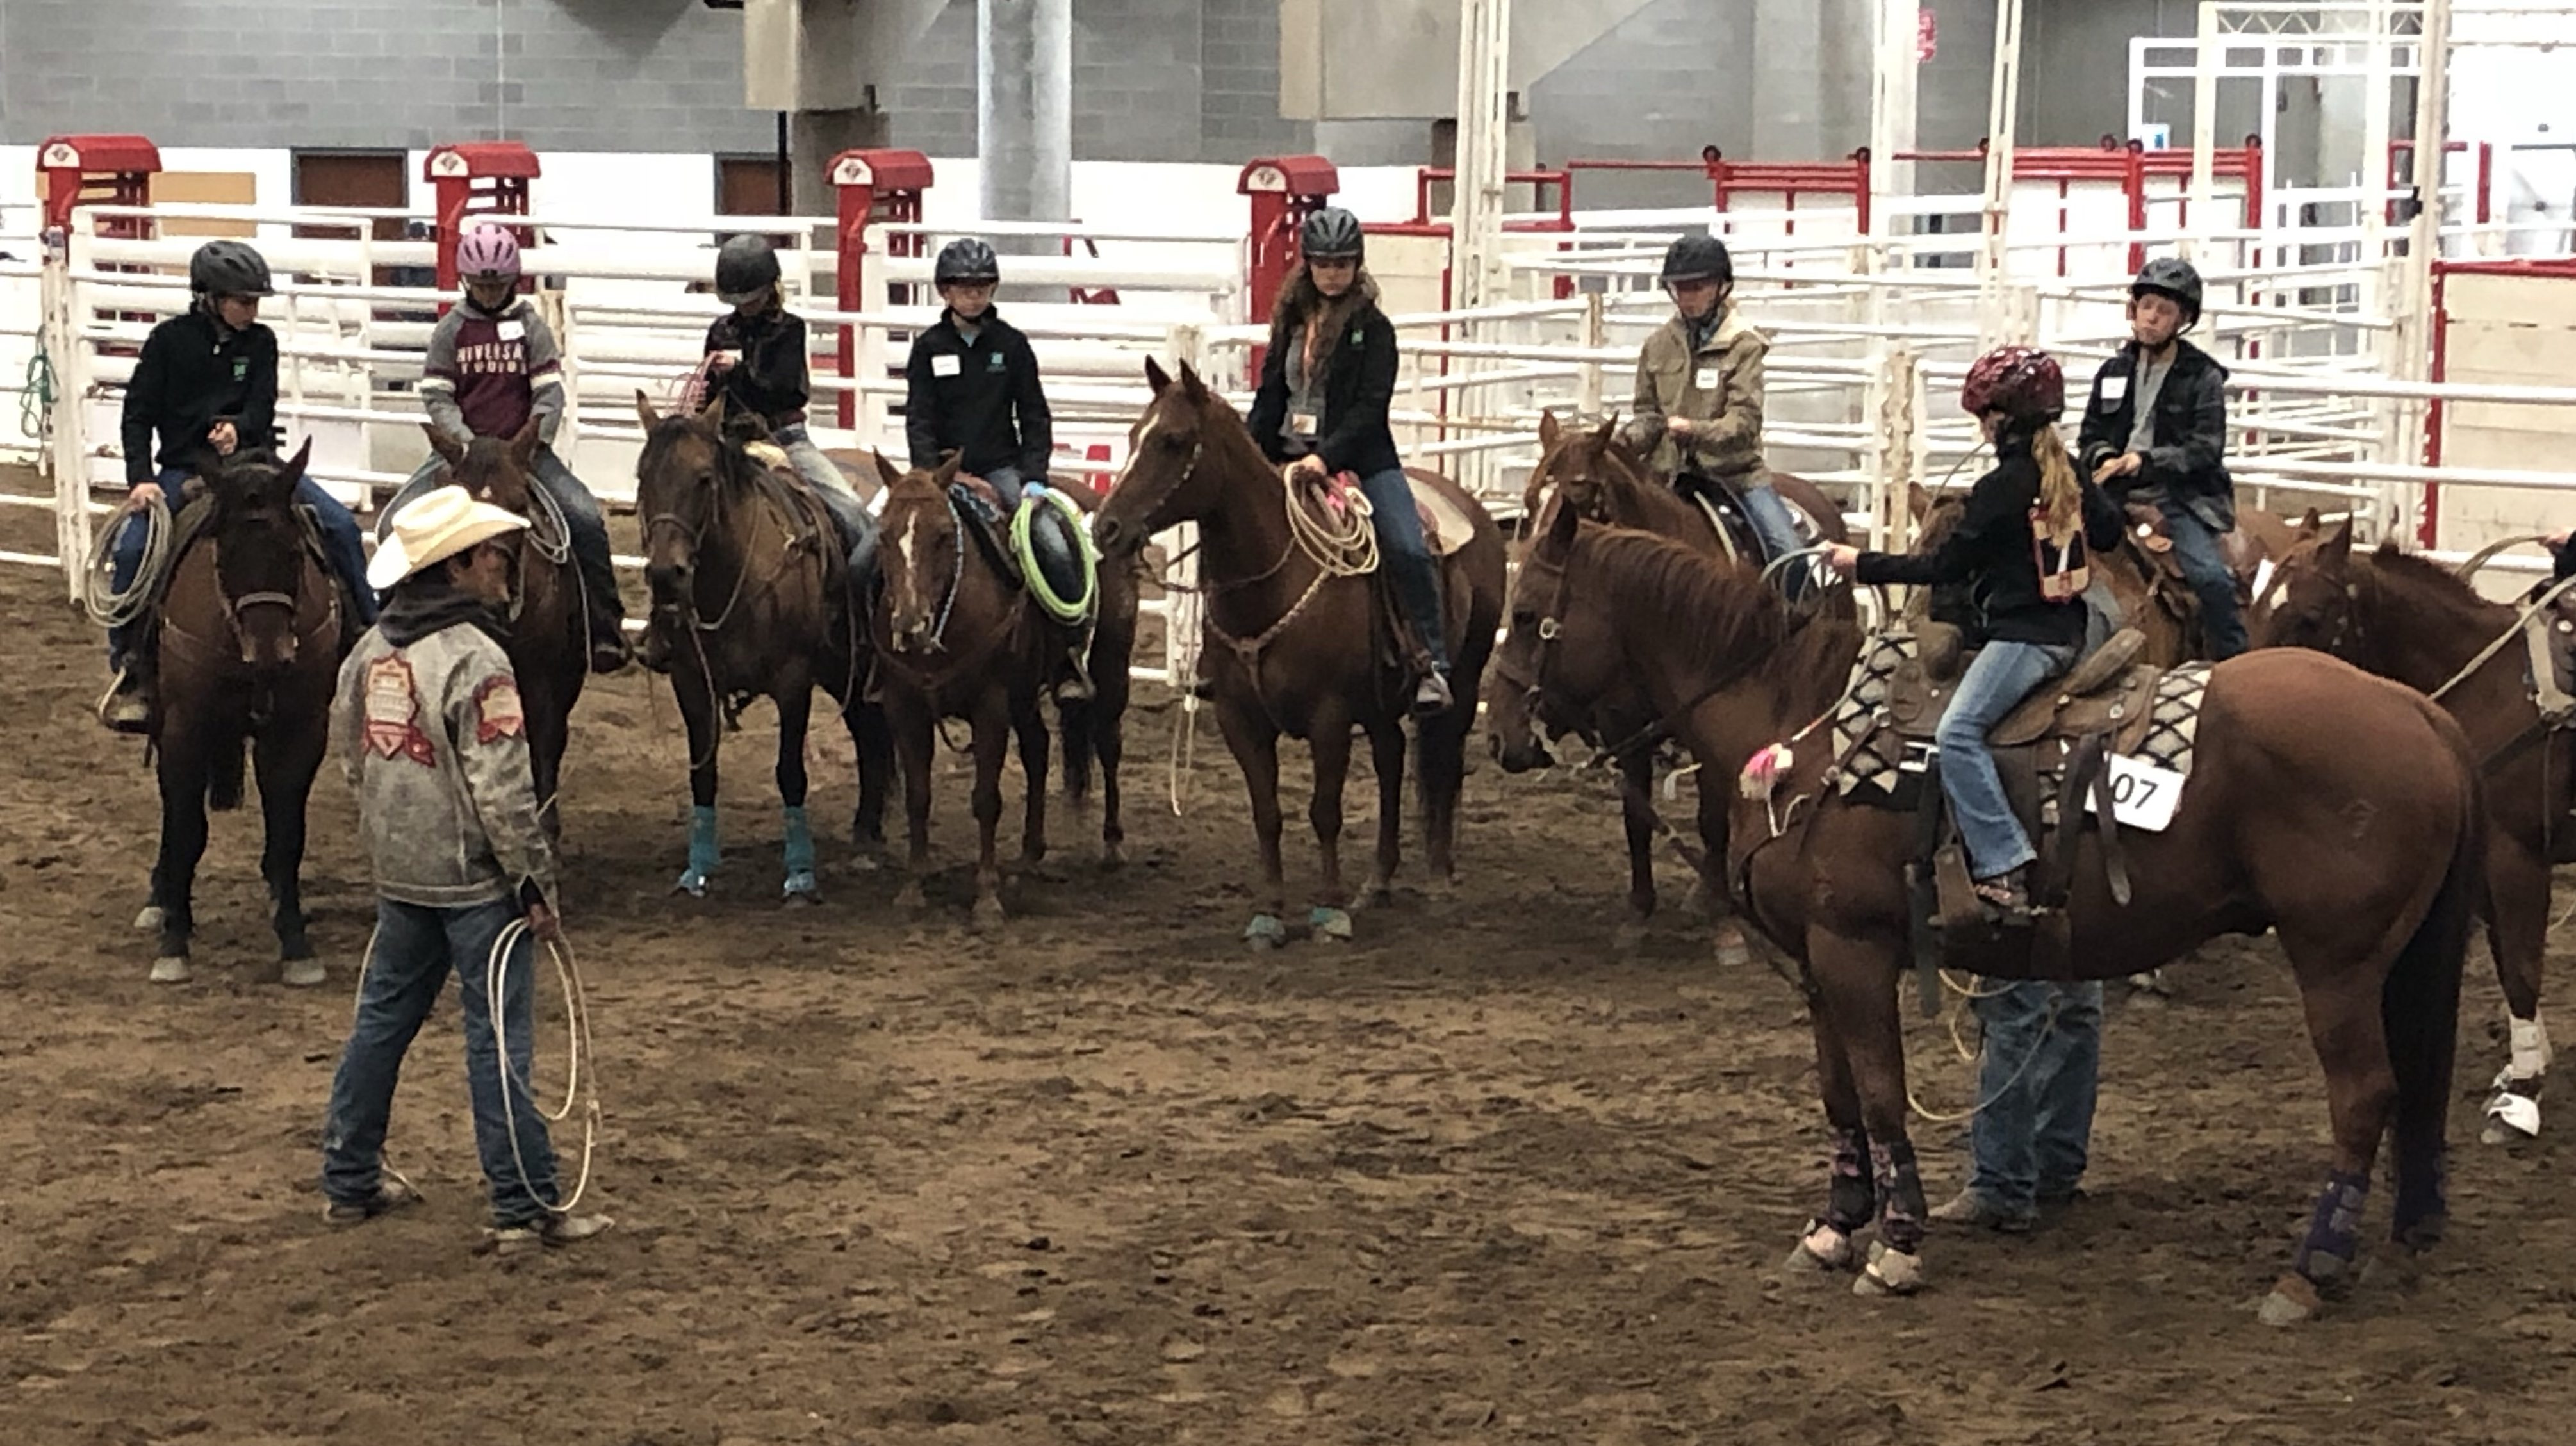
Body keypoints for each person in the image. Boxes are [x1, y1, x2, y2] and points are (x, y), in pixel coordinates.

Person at [318, 484, 611, 1255]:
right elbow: (504, 790)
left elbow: (352, 757)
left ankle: (349, 1177)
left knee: (382, 1021)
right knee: (497, 1038)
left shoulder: (371, 650)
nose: (503, 566)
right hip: (475, 883)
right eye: (491, 556)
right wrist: (534, 882)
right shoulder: (479, 661)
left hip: (402, 871)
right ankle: (521, 1201)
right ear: (455, 569)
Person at [1821, 345, 2124, 919]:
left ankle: (2001, 860)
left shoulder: (2000, 488)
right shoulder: (2067, 471)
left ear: (2004, 418)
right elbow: (2108, 533)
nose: (1981, 427)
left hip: (2025, 639)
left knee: (1959, 733)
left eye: (1986, 416)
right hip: (2073, 629)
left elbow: (1944, 568)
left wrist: (1861, 564)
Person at [101, 239, 375, 731]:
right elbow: (138, 414)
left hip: (258, 464)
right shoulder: (168, 343)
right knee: (132, 550)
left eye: (255, 302)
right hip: (186, 469)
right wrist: (141, 479)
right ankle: (131, 666)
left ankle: (366, 635)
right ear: (210, 297)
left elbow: (261, 407)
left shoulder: (262, 343)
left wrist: (239, 427)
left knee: (340, 527)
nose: (251, 310)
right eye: (243, 301)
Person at [382, 222, 629, 674]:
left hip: (521, 454)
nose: (490, 293)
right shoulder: (450, 331)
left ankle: (603, 627)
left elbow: (549, 395)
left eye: (497, 285)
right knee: (392, 523)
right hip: (463, 457)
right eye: (481, 284)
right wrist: (464, 444)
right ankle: (388, 623)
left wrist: (529, 443)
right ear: (467, 282)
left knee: (584, 517)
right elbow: (437, 395)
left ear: (512, 281)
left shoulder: (531, 328)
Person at [1242, 207, 1453, 714]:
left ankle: (1431, 663)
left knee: (1405, 546)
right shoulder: (1290, 324)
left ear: (1357, 265)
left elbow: (1369, 408)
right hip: (1288, 457)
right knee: (1236, 532)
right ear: (1308, 266)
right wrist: (1251, 453)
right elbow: (1271, 395)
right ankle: (1224, 654)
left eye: (1342, 263)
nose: (1333, 272)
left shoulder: (1373, 329)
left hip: (1361, 461)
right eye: (1324, 263)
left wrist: (1326, 458)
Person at [903, 236, 1094, 701]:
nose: (973, 295)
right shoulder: (927, 348)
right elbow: (919, 418)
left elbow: (1034, 416)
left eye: (982, 287)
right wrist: (931, 474)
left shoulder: (1011, 346)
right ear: (944, 292)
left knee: (1051, 542)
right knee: (877, 548)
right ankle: (875, 658)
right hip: (941, 474)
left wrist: (1032, 477)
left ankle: (1068, 654)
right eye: (963, 288)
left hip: (1002, 469)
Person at [2077, 256, 2244, 659]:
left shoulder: (2203, 377)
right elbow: (2091, 433)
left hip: (2181, 496)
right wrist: (2103, 457)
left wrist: (2145, 462)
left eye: (2165, 310)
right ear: (2134, 310)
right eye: (2147, 306)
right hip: (2113, 489)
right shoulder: (2113, 371)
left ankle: (2235, 659)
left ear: (2181, 320)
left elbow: (2205, 449)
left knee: (2210, 578)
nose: (2152, 318)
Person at [1620, 233, 1807, 575]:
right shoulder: (1657, 346)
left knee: (1787, 552)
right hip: (1667, 475)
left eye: (1698, 287)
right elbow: (1646, 412)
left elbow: (1744, 421)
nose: (1687, 298)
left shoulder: (1743, 346)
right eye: (1680, 288)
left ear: (1721, 287)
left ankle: (1794, 619)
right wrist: (1625, 441)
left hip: (1734, 475)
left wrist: (1694, 431)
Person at [699, 234, 880, 578]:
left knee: (852, 509)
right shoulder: (720, 332)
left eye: (750, 298)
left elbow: (787, 391)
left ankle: (864, 593)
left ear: (769, 289)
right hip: (728, 436)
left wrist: (739, 372)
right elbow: (709, 394)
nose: (744, 306)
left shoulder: (789, 331)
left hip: (785, 436)